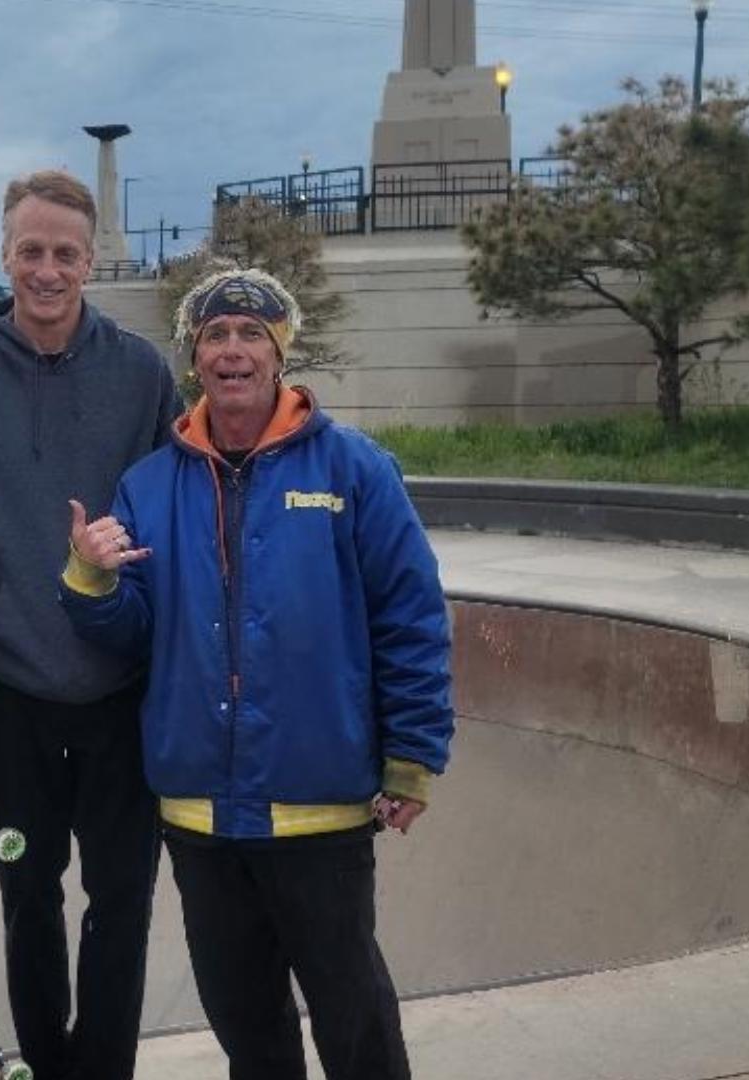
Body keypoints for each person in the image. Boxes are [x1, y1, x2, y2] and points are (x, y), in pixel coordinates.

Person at [57, 267, 455, 1080]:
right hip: (201, 814)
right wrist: (90, 579)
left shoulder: (353, 469)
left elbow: (410, 615)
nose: (232, 351)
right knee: (248, 1030)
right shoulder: (149, 484)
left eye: (250, 335)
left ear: (279, 356)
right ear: (193, 357)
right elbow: (133, 633)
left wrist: (412, 755)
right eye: (214, 335)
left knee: (356, 1025)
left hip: (321, 807)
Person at [0, 169, 182, 1080]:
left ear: (91, 259)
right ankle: (45, 1066)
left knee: (122, 901)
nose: (49, 270)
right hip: (10, 695)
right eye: (31, 251)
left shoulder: (142, 373)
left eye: (66, 253)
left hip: (118, 691)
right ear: (5, 255)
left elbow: (178, 521)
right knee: (29, 893)